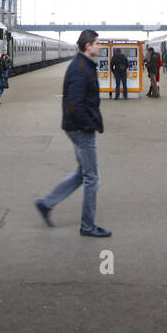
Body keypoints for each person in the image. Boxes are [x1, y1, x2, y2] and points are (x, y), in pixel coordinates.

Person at [35, 29, 110, 237]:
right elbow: (75, 103)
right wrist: (88, 125)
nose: (99, 46)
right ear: (88, 46)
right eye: (97, 43)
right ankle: (88, 226)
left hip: (76, 127)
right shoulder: (80, 68)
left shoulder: (83, 65)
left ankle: (47, 203)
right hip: (80, 129)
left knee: (82, 173)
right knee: (92, 178)